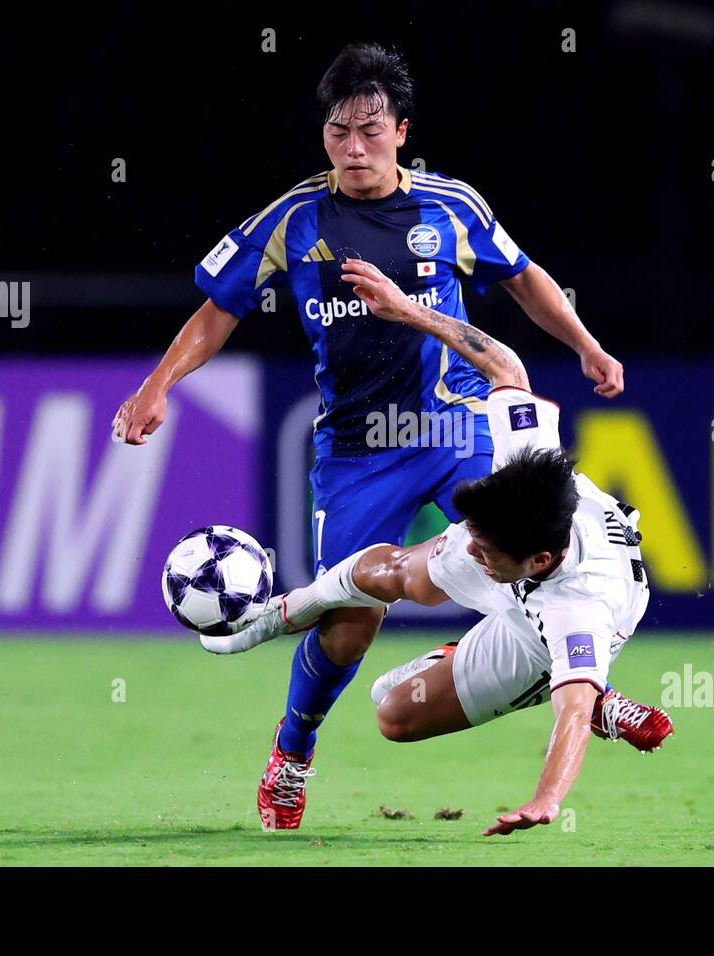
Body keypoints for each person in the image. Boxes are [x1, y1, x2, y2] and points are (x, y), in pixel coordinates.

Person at [114, 43, 626, 830]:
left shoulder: (451, 205)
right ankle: (293, 749)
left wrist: (585, 343)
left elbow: (522, 275)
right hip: (357, 449)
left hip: (455, 424)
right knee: (350, 621)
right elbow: (220, 308)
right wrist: (158, 386)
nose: (354, 148)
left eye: (371, 131)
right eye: (339, 132)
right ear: (325, 135)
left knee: (524, 547)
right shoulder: (292, 219)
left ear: (402, 131)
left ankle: (582, 683)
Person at [206, 257, 672, 837]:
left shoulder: (577, 612)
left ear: (536, 561)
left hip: (544, 630)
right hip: (533, 574)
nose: (466, 547)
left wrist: (546, 799)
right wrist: (408, 311)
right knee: (397, 572)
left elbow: (570, 712)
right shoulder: (522, 467)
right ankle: (279, 614)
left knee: (394, 713)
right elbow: (505, 364)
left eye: (483, 548)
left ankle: (595, 690)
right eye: (470, 534)